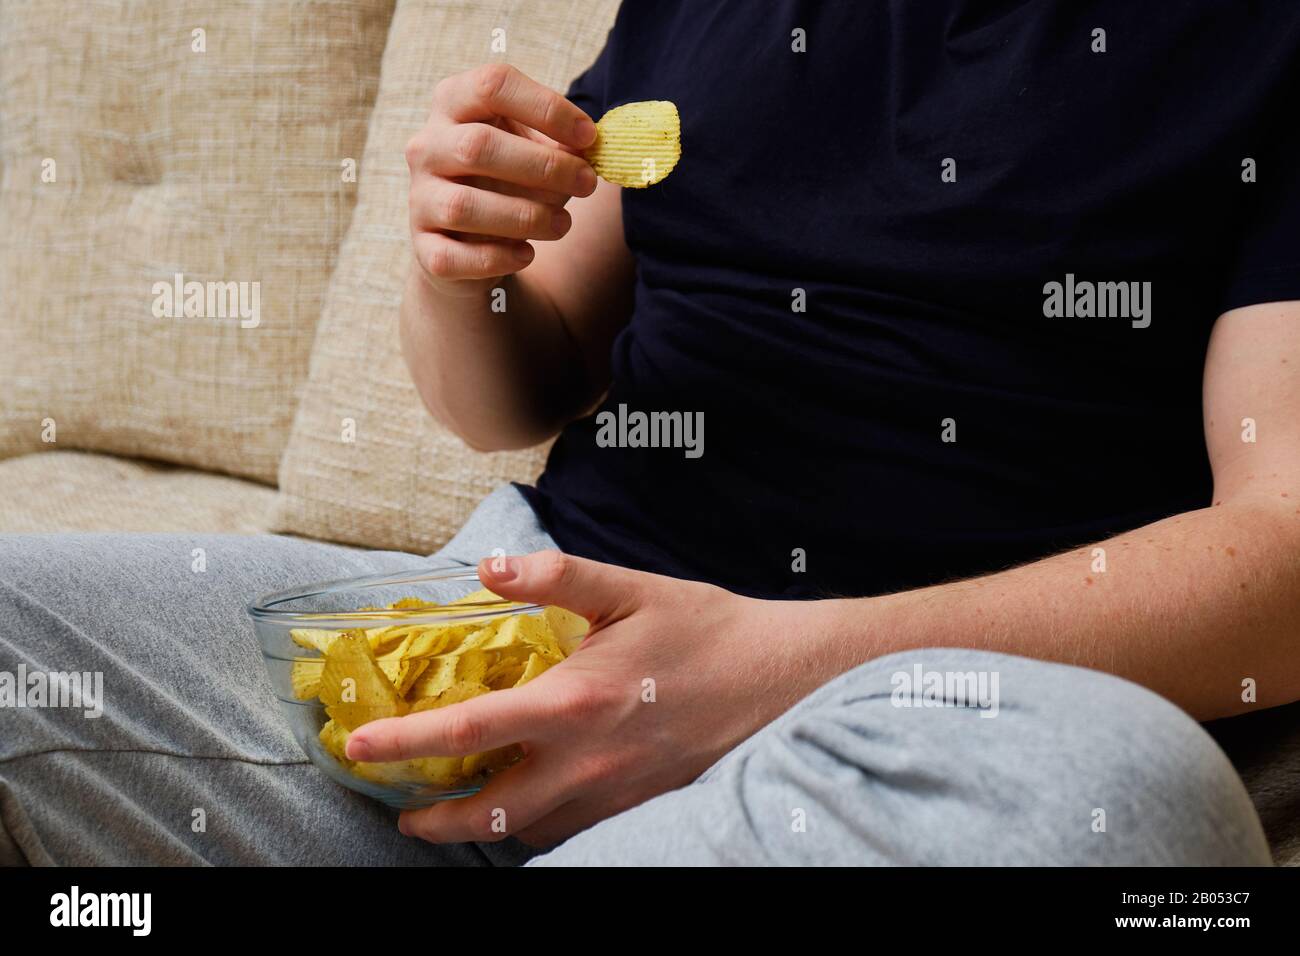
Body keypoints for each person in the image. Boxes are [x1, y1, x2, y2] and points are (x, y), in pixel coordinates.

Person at [2, 0, 1293, 865]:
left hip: (925, 732)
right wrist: (465, 268)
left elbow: (1284, 552)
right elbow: (519, 386)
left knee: (1113, 802)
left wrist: (757, 675)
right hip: (510, 635)